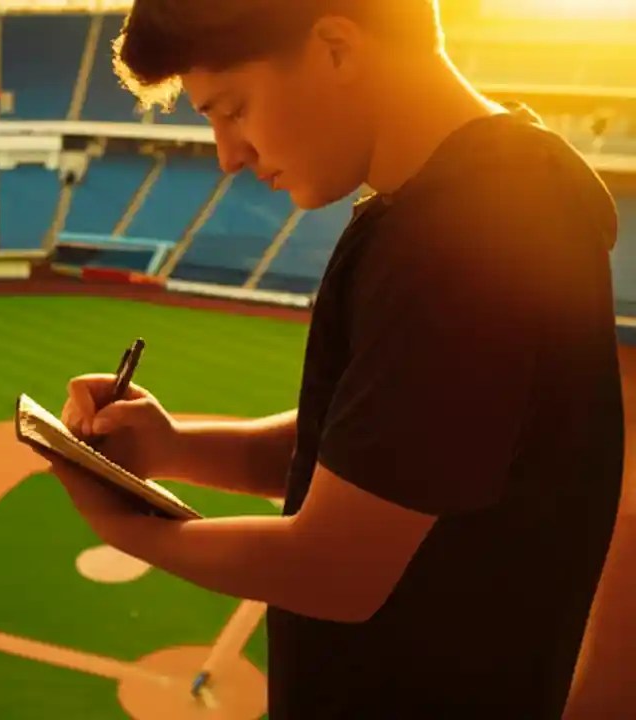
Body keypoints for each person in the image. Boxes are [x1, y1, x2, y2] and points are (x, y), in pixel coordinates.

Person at [38, 1, 625, 718]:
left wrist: (126, 526)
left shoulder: (463, 235)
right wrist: (172, 446)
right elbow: (375, 453)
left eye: (234, 109)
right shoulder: (488, 190)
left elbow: (336, 569)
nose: (227, 156)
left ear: (337, 49)